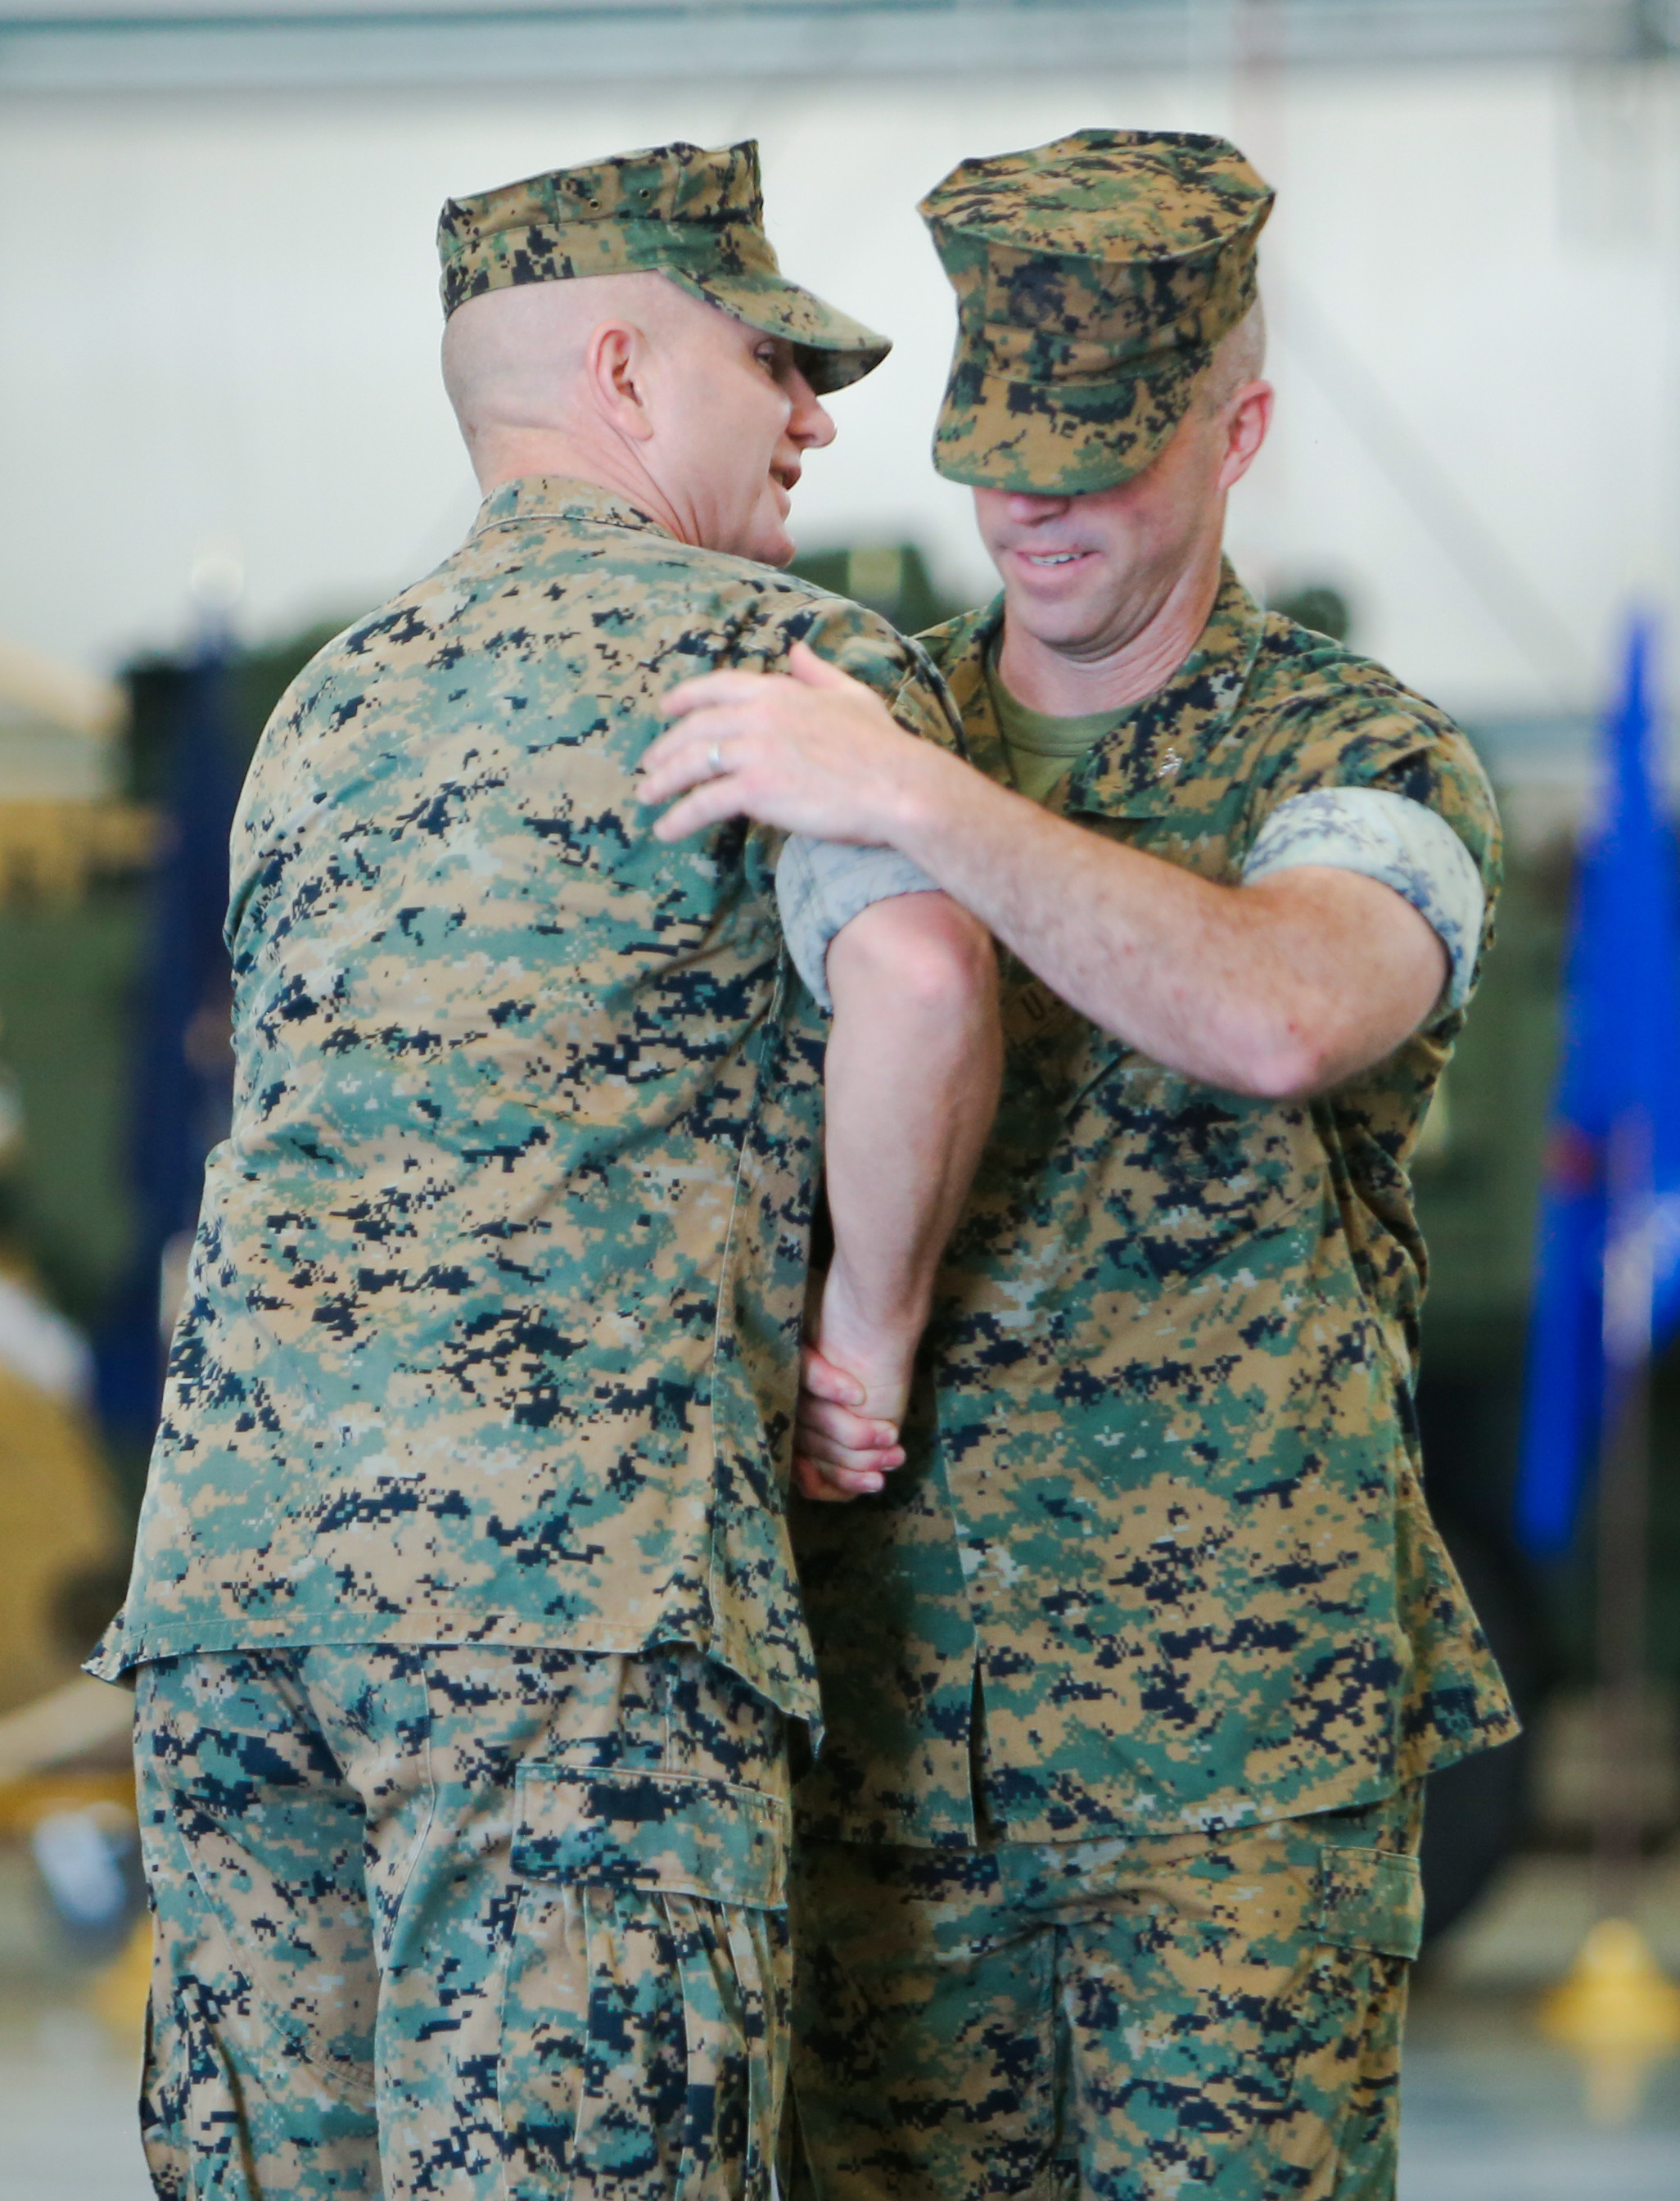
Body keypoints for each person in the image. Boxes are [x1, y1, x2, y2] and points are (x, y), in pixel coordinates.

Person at [88, 139, 1000, 2201]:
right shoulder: (778, 661)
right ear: (620, 365)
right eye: (771, 361)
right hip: (563, 1610)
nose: (817, 413)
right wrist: (866, 1334)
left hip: (235, 1603)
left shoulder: (317, 718)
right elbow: (927, 980)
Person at [639, 129, 1518, 2201]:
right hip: (883, 1750)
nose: (1030, 506)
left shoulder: (1362, 760)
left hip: (1233, 1788)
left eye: (1097, 454)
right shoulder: (857, 721)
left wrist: (928, 814)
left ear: (1242, 431)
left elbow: (1286, 1010)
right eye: (995, 447)